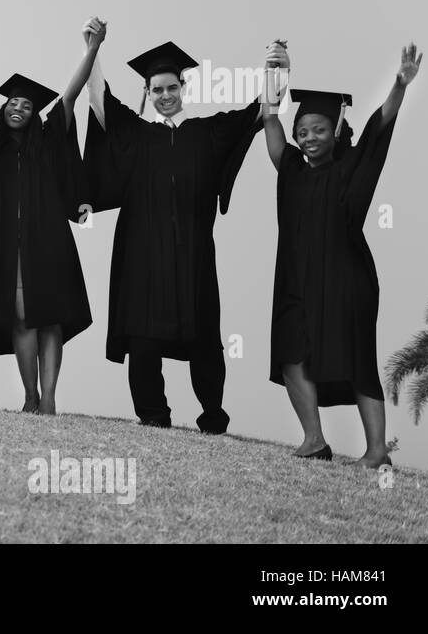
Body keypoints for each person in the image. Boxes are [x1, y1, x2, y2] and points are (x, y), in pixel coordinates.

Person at [83, 39, 287, 433]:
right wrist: (93, 49)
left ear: (183, 89)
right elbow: (98, 98)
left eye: (171, 88)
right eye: (156, 90)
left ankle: (212, 416)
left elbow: (260, 112)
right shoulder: (137, 134)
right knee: (143, 335)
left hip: (193, 251)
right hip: (142, 252)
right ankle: (153, 414)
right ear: (147, 92)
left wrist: (278, 70)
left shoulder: (207, 133)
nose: (164, 96)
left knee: (203, 334)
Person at [262, 43, 422, 469]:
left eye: (318, 130)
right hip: (296, 281)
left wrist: (400, 85)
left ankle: (376, 452)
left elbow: (378, 128)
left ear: (335, 131)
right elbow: (269, 121)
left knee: (356, 359)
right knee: (291, 352)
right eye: (303, 132)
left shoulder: (352, 167)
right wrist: (276, 76)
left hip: (347, 280)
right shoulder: (292, 170)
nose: (309, 138)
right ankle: (313, 439)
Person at [0, 18, 104, 414]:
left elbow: (69, 96)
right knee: (21, 319)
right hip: (4, 244)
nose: (19, 107)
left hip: (47, 240)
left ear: (35, 114)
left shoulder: (48, 141)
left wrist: (92, 49)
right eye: (13, 103)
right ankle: (30, 394)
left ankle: (49, 399)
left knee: (51, 319)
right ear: (4, 109)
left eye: (27, 105)